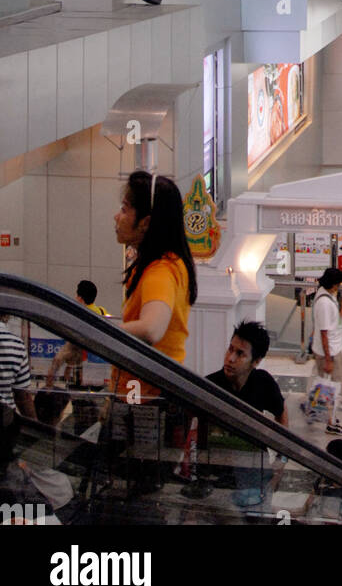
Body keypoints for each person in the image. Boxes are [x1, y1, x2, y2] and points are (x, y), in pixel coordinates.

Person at [112, 171, 198, 400]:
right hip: (153, 397)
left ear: (145, 222)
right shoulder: (172, 263)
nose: (116, 216)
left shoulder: (160, 271)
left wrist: (96, 330)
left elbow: (152, 328)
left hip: (145, 405)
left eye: (124, 209)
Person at [206, 320, 287, 424]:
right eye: (230, 349)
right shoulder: (209, 386)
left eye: (240, 354)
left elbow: (281, 410)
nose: (231, 358)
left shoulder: (263, 382)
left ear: (256, 361)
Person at [309, 267, 342, 435]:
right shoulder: (325, 303)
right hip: (330, 352)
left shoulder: (324, 296)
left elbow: (329, 326)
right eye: (338, 284)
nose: (339, 287)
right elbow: (324, 332)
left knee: (326, 383)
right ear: (333, 284)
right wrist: (328, 359)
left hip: (331, 349)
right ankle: (331, 422)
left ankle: (322, 413)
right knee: (332, 387)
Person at [45, 281, 109, 389]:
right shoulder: (102, 311)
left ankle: (48, 389)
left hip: (76, 347)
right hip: (94, 355)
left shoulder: (78, 312)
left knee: (56, 363)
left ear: (80, 298)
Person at [0, 314, 37, 419]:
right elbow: (23, 396)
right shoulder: (15, 344)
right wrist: (36, 428)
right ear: (6, 315)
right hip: (4, 424)